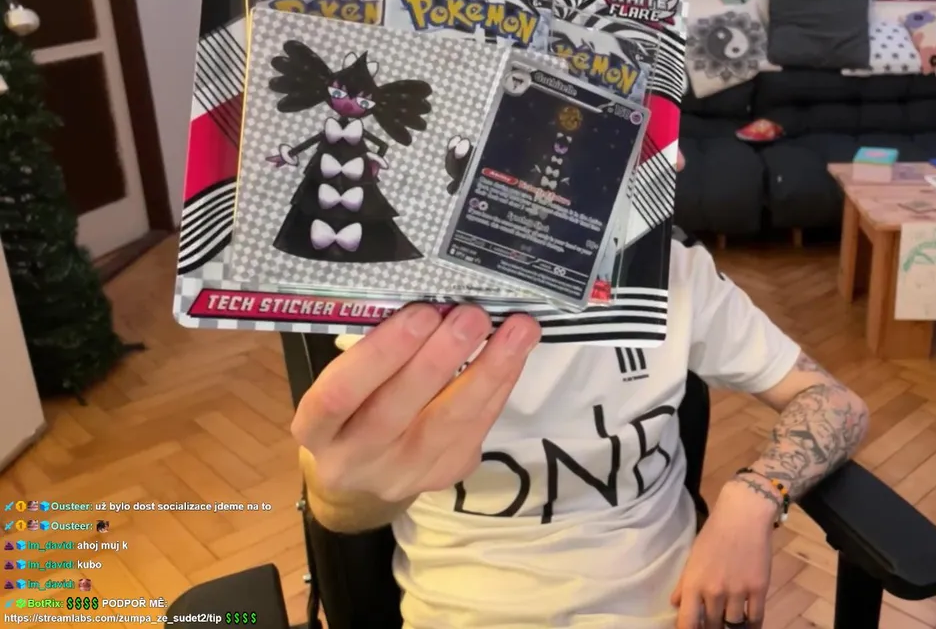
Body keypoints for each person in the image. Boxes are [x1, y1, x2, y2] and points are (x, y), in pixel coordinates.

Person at [292, 151, 870, 629]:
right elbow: (343, 505)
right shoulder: (399, 291)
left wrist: (753, 499)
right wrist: (340, 492)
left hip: (665, 611)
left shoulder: (671, 268)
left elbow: (835, 403)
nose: (675, 162)